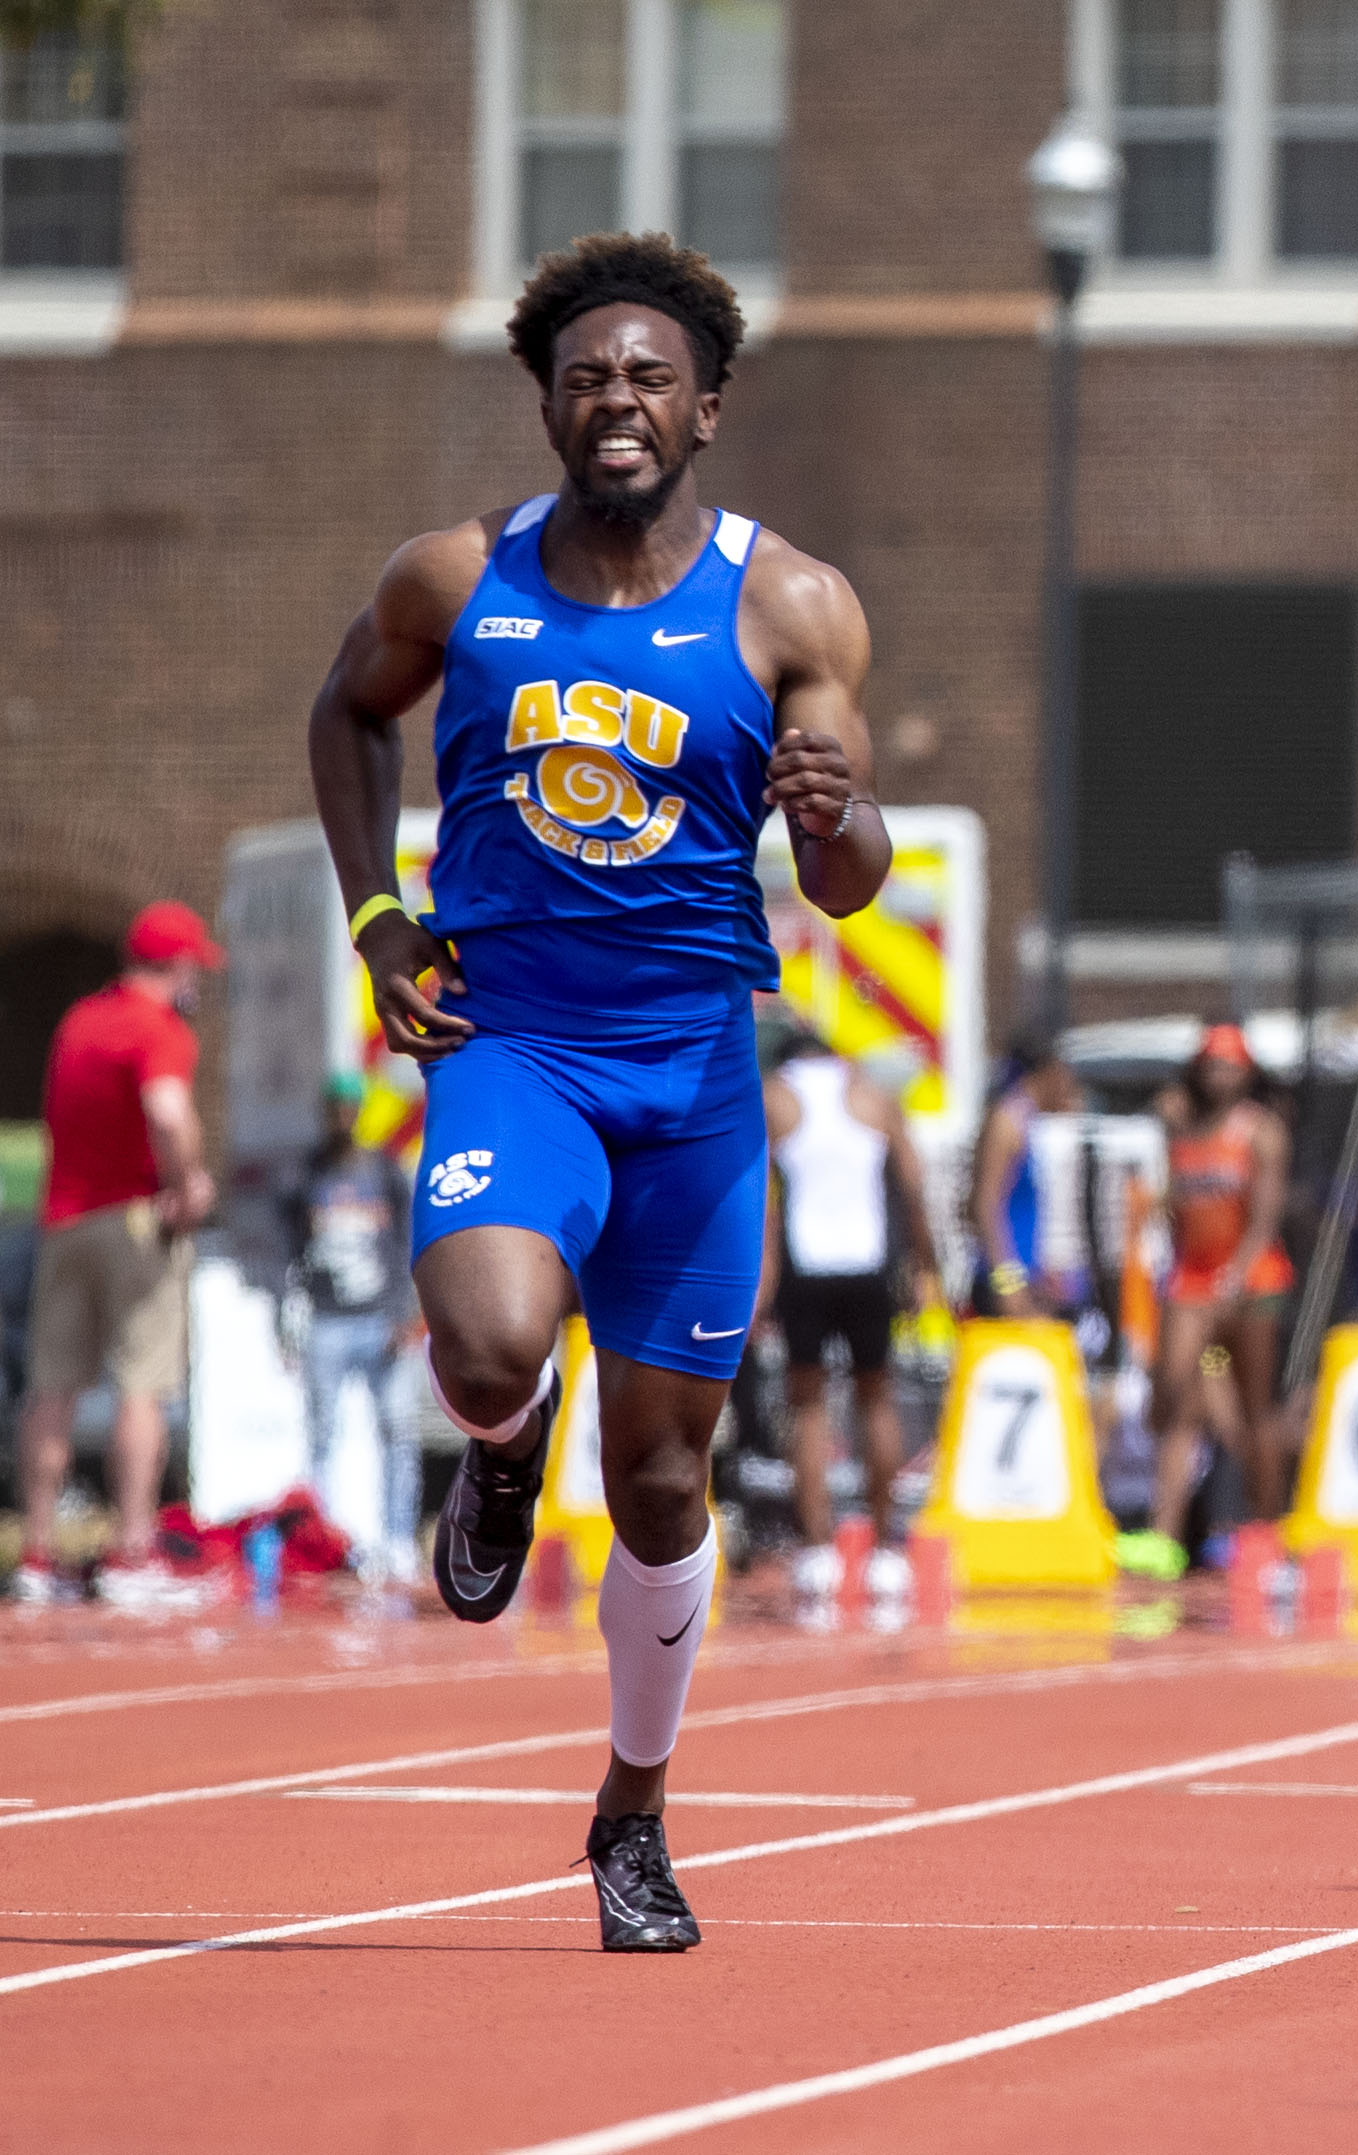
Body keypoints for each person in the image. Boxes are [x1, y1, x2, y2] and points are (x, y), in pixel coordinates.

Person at [305, 233, 887, 1949]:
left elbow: (848, 881)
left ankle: (632, 1811)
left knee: (659, 1487)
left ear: (704, 409)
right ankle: (499, 1444)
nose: (614, 401)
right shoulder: (450, 580)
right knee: (486, 1345)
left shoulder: (795, 605)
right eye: (583, 378)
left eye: (646, 378)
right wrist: (377, 913)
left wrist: (832, 807)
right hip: (516, 1047)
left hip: (695, 1073)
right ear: (546, 405)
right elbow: (346, 719)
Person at [14, 901, 221, 1609]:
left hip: (65, 1219)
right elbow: (166, 1110)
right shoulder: (156, 1026)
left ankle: (37, 1552)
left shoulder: (81, 1019)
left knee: (52, 1386)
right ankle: (134, 1549)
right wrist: (187, 1183)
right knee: (142, 1383)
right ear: (176, 963)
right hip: (136, 1220)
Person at [759, 1029, 933, 1604]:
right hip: (870, 1267)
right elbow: (912, 1183)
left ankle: (818, 1551)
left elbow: (763, 1199)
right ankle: (886, 1550)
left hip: (806, 1268)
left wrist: (761, 1288)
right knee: (875, 1401)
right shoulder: (872, 1094)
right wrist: (925, 1266)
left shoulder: (775, 1096)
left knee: (807, 1407)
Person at [1154, 1025, 1297, 1546]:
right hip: (1193, 1280)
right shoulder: (1182, 1128)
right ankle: (1166, 1532)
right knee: (1176, 1396)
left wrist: (1234, 1275)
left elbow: (1264, 1218)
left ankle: (1267, 1528)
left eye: (1230, 1065)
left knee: (1256, 1408)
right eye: (1212, 1065)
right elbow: (1175, 1210)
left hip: (1251, 1284)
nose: (1220, 1075)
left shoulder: (1259, 1131)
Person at [291, 1074, 418, 1586]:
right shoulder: (306, 1175)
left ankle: (399, 1537)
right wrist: (291, 1305)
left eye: (349, 1108)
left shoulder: (384, 1171)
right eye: (333, 1108)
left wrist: (408, 1311)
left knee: (397, 1429)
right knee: (322, 1434)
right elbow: (290, 1243)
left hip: (381, 1317)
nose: (340, 1117)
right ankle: (325, 1538)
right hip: (327, 1319)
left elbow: (410, 1239)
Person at [969, 1034, 1083, 1319]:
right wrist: (1008, 1284)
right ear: (1050, 1072)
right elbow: (985, 1204)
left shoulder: (1026, 1120)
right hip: (1002, 1279)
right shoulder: (1007, 1121)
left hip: (1025, 1276)